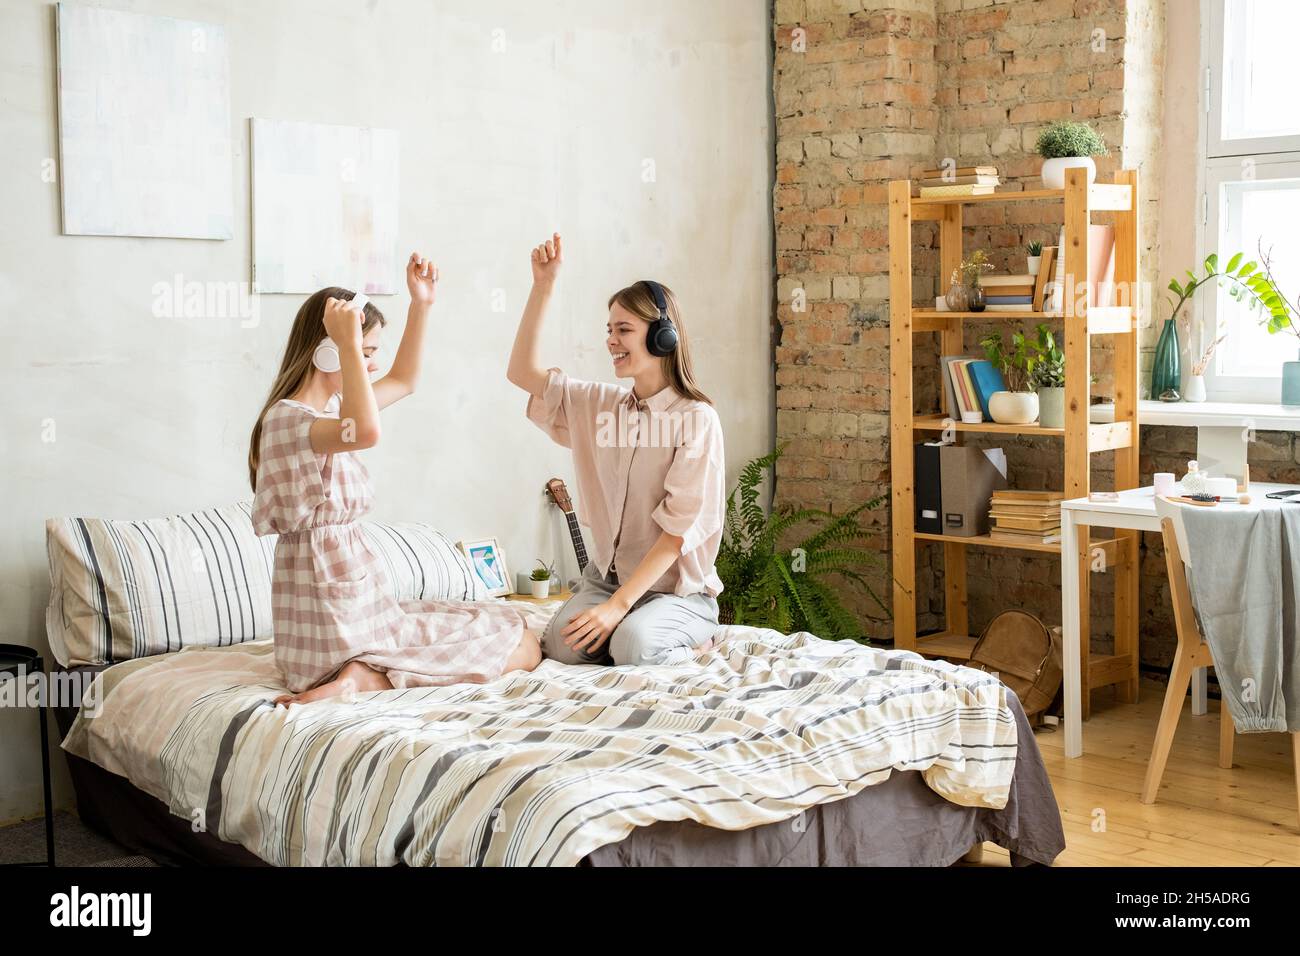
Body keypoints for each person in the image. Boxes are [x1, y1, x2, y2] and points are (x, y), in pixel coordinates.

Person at [249, 252, 542, 705]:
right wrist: (347, 345)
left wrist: (420, 305)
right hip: (332, 617)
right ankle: (363, 680)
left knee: (513, 630)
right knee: (517, 647)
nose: (369, 366)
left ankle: (361, 676)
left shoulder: (327, 413)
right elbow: (365, 431)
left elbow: (404, 380)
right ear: (326, 351)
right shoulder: (290, 419)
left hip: (352, 602)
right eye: (364, 353)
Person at [506, 233, 725, 667]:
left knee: (632, 647)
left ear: (663, 337)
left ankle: (699, 639)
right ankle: (627, 626)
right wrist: (542, 286)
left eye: (624, 329)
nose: (611, 340)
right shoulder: (600, 405)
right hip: (607, 580)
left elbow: (676, 534)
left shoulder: (696, 419)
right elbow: (520, 371)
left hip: (675, 591)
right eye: (609, 329)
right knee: (564, 650)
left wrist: (617, 609)